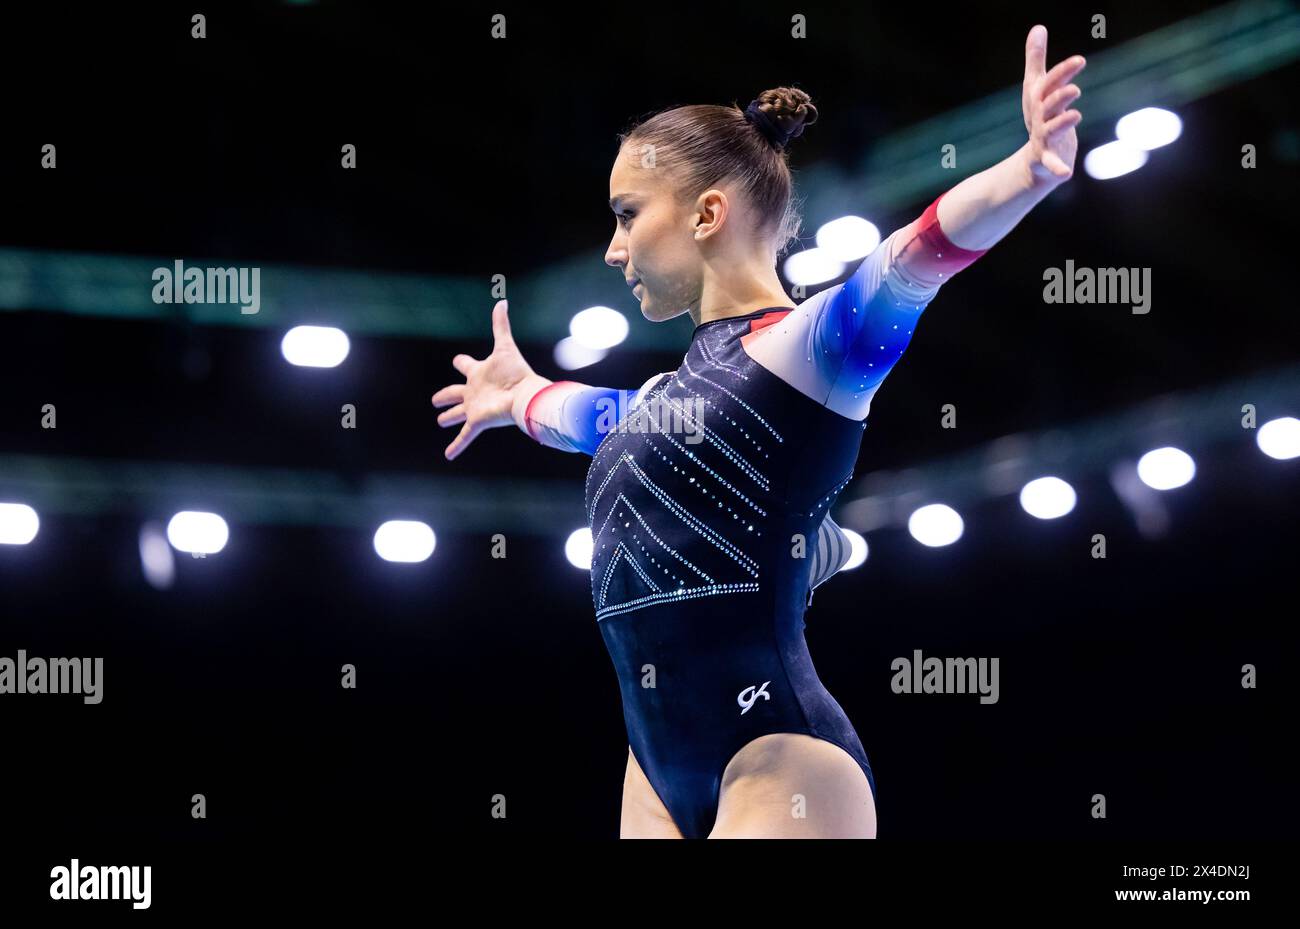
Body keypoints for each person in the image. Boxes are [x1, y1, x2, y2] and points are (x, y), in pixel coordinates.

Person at [432, 24, 1085, 838]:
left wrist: (1027, 170)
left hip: (777, 755)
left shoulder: (807, 352)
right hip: (653, 768)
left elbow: (915, 257)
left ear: (708, 212)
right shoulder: (660, 402)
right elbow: (579, 417)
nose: (611, 248)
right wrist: (518, 394)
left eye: (626, 215)